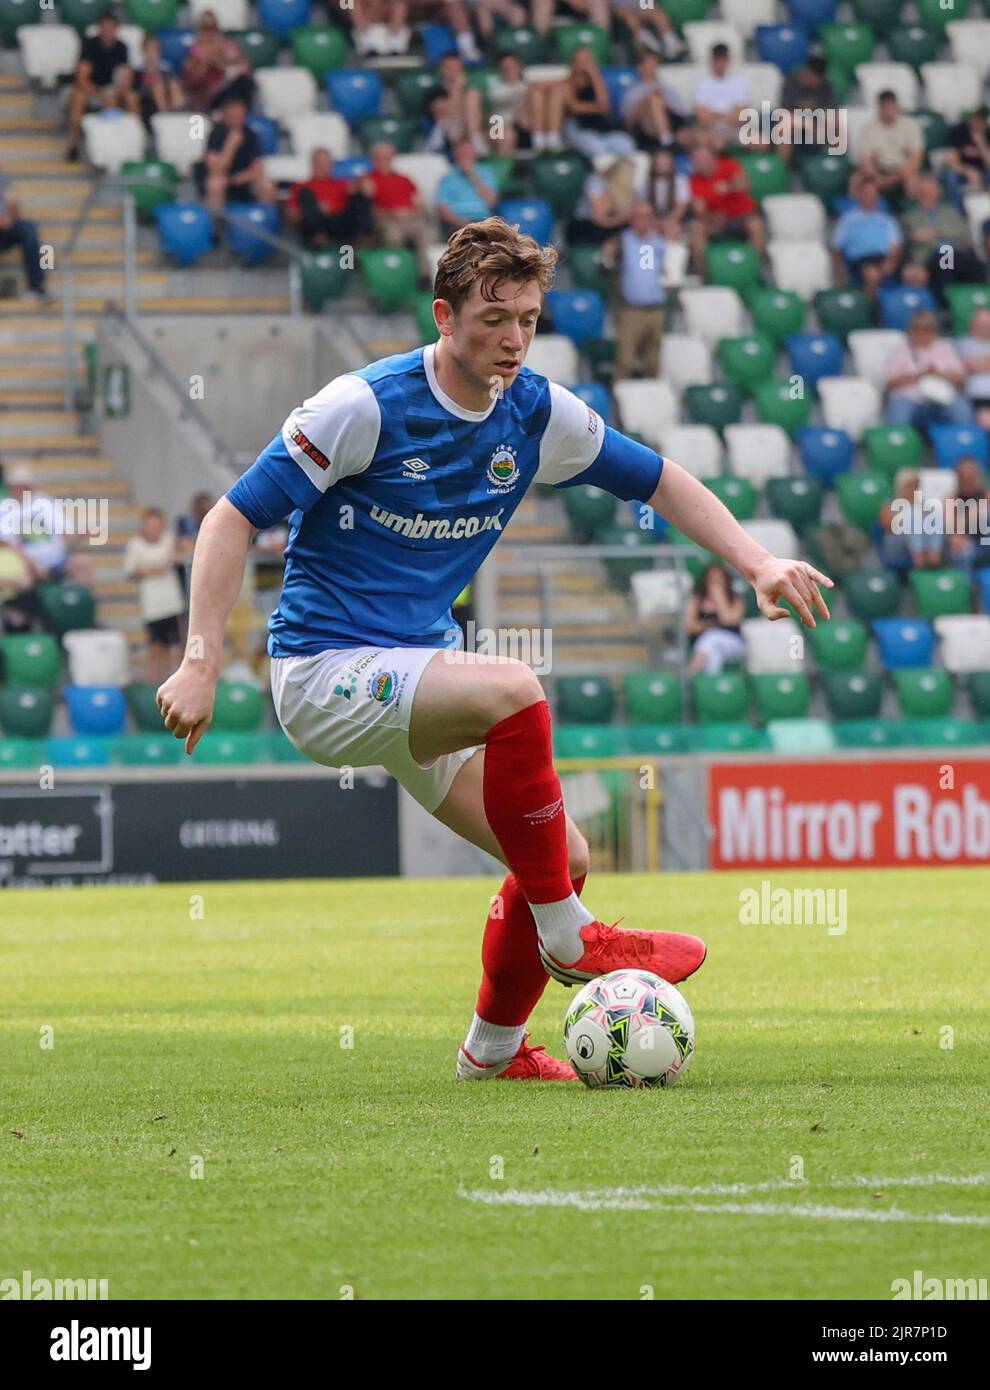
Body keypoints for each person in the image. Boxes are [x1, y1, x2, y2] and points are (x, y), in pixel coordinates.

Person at [155, 215, 833, 1083]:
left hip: (414, 679)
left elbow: (656, 478)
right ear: (444, 316)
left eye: (528, 320)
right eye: (491, 318)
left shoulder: (536, 413)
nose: (512, 339)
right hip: (323, 674)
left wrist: (757, 560)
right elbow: (231, 517)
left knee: (561, 858)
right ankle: (570, 938)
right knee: (514, 684)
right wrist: (202, 659)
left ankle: (494, 1053)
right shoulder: (363, 406)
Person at [604, 200, 669, 381]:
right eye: (639, 217)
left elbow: (670, 270)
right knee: (625, 360)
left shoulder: (660, 242)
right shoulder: (622, 241)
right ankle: (620, 403)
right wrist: (609, 254)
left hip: (656, 308)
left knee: (653, 362)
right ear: (632, 219)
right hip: (631, 310)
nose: (643, 221)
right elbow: (605, 266)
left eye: (647, 217)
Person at [124, 507, 186, 685]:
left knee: (176, 648)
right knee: (156, 649)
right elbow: (133, 571)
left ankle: (176, 684)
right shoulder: (135, 545)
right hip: (152, 606)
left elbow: (179, 557)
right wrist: (157, 569)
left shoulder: (169, 540)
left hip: (171, 604)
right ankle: (154, 686)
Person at [883, 310, 975, 429]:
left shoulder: (944, 348)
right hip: (910, 399)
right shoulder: (900, 352)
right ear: (911, 331)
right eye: (918, 330)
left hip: (942, 399)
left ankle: (962, 442)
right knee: (899, 410)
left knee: (961, 408)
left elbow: (961, 377)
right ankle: (899, 443)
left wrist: (938, 373)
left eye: (928, 331)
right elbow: (891, 382)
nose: (923, 335)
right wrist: (919, 375)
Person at [66, 11, 138, 161]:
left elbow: (125, 77)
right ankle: (74, 143)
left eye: (112, 27)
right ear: (99, 28)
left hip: (113, 90)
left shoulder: (121, 47)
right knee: (78, 98)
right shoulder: (90, 45)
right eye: (105, 27)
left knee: (132, 98)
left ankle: (135, 141)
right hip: (91, 90)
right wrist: (100, 93)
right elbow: (82, 78)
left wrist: (113, 92)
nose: (108, 31)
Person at [688, 138, 765, 276]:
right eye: (697, 162)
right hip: (717, 219)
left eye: (704, 160)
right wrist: (710, 218)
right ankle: (703, 274)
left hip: (742, 216)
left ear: (713, 158)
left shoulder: (729, 165)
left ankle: (754, 270)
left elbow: (745, 185)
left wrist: (728, 187)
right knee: (696, 229)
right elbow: (699, 208)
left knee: (757, 226)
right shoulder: (695, 180)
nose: (702, 164)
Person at [900, 173, 984, 300]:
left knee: (977, 265)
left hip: (957, 252)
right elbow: (902, 239)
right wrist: (913, 237)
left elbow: (962, 233)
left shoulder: (950, 211)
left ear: (938, 193)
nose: (929, 196)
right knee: (945, 260)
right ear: (919, 194)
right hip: (928, 256)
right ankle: (949, 304)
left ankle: (977, 300)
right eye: (925, 192)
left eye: (932, 191)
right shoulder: (909, 216)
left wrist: (936, 233)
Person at [363, 142, 435, 281]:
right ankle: (400, 275)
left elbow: (420, 205)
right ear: (373, 160)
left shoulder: (405, 180)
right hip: (387, 220)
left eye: (387, 157)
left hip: (411, 218)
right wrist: (391, 213)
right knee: (394, 235)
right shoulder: (369, 180)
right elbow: (367, 210)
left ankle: (424, 277)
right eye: (380, 158)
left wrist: (410, 212)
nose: (384, 161)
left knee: (428, 234)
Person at [194, 96, 275, 215]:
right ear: (224, 115)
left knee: (266, 185)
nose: (237, 117)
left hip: (241, 180)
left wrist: (238, 179)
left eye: (240, 113)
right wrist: (231, 145)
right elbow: (215, 169)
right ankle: (216, 227)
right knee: (216, 184)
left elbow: (258, 169)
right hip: (222, 180)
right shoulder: (216, 134)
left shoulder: (251, 135)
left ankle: (264, 223)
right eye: (233, 113)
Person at [830, 174, 902, 298]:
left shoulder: (887, 220)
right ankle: (872, 311)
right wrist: (840, 273)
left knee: (917, 275)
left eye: (874, 194)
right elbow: (836, 248)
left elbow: (896, 245)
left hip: (884, 258)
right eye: (867, 193)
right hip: (861, 261)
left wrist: (891, 261)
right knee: (872, 275)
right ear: (859, 195)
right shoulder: (847, 220)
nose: (871, 197)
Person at [286, 149, 373, 250]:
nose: (323, 167)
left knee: (360, 195)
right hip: (316, 224)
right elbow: (292, 216)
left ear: (332, 165)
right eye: (319, 164)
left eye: (326, 164)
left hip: (341, 224)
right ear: (312, 165)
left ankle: (365, 235)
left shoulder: (343, 184)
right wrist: (314, 209)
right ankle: (318, 234)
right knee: (305, 194)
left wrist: (362, 186)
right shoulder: (300, 186)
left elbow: (362, 197)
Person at [562, 47, 635, 161]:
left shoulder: (598, 80)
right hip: (579, 128)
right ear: (573, 63)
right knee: (598, 150)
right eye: (580, 60)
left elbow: (605, 105)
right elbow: (575, 107)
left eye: (587, 60)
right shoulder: (567, 82)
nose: (584, 64)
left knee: (626, 146)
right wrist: (597, 107)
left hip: (601, 128)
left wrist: (593, 74)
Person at [182, 11, 254, 116]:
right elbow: (192, 79)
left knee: (243, 82)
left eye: (212, 28)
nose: (210, 33)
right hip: (210, 96)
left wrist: (223, 60)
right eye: (206, 28)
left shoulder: (226, 46)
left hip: (229, 88)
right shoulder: (194, 52)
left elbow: (245, 67)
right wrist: (207, 62)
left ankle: (240, 113)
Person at [858, 89, 923, 204]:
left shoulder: (910, 125)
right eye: (886, 107)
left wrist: (895, 177)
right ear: (880, 108)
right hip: (880, 170)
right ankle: (862, 215)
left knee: (913, 181)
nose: (889, 111)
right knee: (856, 180)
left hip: (903, 171)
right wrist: (877, 177)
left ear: (897, 106)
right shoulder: (869, 128)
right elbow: (866, 160)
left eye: (892, 106)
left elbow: (916, 159)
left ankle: (911, 214)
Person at [620, 50, 691, 153]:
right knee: (653, 100)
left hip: (672, 125)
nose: (653, 68)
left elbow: (682, 113)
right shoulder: (632, 92)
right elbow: (628, 121)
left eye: (654, 65)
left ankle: (667, 138)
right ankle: (667, 142)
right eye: (649, 65)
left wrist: (666, 104)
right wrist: (645, 102)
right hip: (645, 129)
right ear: (640, 67)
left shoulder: (666, 88)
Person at [0, 171, 53, 304]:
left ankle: (36, 286)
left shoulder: (3, 177)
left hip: (5, 229)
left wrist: (11, 214)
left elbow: (14, 206)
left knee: (28, 228)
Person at [877, 468, 943, 571]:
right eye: (909, 486)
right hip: (897, 545)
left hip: (923, 543)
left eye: (915, 487)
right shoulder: (889, 505)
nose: (913, 490)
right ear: (900, 487)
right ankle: (918, 556)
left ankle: (934, 554)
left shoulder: (923, 505)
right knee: (912, 517)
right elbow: (887, 525)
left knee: (935, 517)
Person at [684, 564, 746, 674]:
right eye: (712, 579)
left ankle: (690, 673)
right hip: (702, 644)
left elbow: (729, 620)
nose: (715, 583)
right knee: (713, 650)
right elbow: (690, 626)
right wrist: (710, 625)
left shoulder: (735, 599)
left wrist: (719, 597)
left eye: (719, 579)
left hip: (732, 642)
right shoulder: (697, 599)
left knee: (712, 637)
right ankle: (713, 683)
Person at [434, 139, 499, 236]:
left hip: (482, 221)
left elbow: (491, 202)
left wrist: (472, 175)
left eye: (468, 154)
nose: (465, 157)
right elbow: (441, 208)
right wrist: (462, 223)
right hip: (457, 223)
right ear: (456, 155)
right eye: (462, 154)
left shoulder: (486, 173)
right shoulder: (448, 178)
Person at [944, 457, 990, 574]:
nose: (969, 480)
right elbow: (952, 530)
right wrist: (973, 513)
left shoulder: (989, 495)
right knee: (961, 551)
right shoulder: (953, 499)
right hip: (969, 543)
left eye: (972, 475)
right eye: (965, 476)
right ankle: (967, 586)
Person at [693, 43, 750, 145]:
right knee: (712, 140)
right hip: (711, 130)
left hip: (735, 129)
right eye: (717, 60)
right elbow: (703, 118)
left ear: (728, 60)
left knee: (761, 141)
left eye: (722, 60)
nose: (720, 64)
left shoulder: (739, 83)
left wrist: (715, 114)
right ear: (711, 61)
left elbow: (742, 116)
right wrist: (728, 114)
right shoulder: (702, 84)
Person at [944, 105, 990, 199]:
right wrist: (968, 170)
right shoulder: (960, 130)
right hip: (961, 169)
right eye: (976, 120)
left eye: (982, 122)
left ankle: (989, 210)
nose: (978, 124)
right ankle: (960, 209)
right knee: (950, 176)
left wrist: (982, 144)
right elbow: (951, 160)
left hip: (984, 170)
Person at [133, 33, 184, 128]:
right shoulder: (138, 70)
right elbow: (137, 90)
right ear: (143, 51)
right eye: (149, 49)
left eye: (155, 49)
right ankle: (165, 118)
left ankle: (178, 114)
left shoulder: (165, 68)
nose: (151, 53)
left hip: (167, 97)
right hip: (147, 101)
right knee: (157, 86)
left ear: (159, 52)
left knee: (172, 85)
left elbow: (173, 84)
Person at [959, 307, 990, 432]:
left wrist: (979, 362)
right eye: (981, 324)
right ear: (972, 325)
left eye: (988, 325)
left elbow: (975, 364)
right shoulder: (962, 344)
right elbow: (968, 366)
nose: (985, 328)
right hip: (979, 398)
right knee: (988, 421)